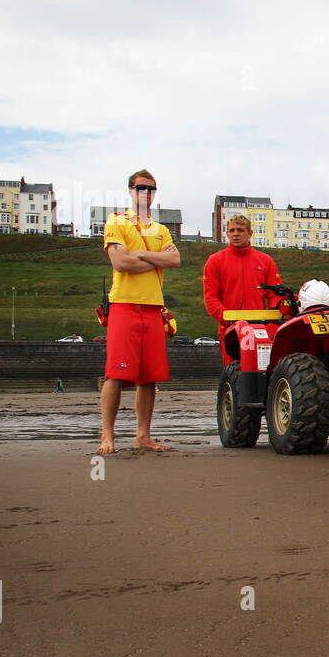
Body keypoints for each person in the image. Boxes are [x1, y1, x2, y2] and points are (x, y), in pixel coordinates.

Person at [97, 169, 181, 454]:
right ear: (131, 190)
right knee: (116, 373)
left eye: (151, 189)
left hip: (153, 307)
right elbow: (120, 262)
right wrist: (157, 260)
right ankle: (107, 435)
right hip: (124, 304)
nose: (146, 193)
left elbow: (176, 259)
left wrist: (142, 255)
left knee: (150, 376)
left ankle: (143, 435)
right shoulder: (116, 221)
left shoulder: (161, 230)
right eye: (141, 188)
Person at [202, 214, 283, 362]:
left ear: (250, 233)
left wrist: (272, 319)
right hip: (229, 329)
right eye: (231, 230)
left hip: (260, 329)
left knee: (262, 372)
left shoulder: (266, 261)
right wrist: (225, 317)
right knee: (233, 374)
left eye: (240, 230)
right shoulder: (215, 261)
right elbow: (210, 297)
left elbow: (275, 295)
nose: (235, 234)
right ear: (227, 233)